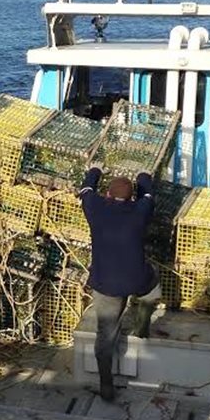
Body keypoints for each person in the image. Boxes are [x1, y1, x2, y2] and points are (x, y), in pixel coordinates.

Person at [79, 166, 162, 402]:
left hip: (106, 284)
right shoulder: (140, 210)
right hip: (137, 279)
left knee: (106, 332)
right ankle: (142, 325)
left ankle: (106, 384)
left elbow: (86, 188)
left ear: (107, 194)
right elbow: (148, 193)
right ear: (131, 198)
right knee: (153, 288)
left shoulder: (95, 208)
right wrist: (143, 177)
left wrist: (95, 170)